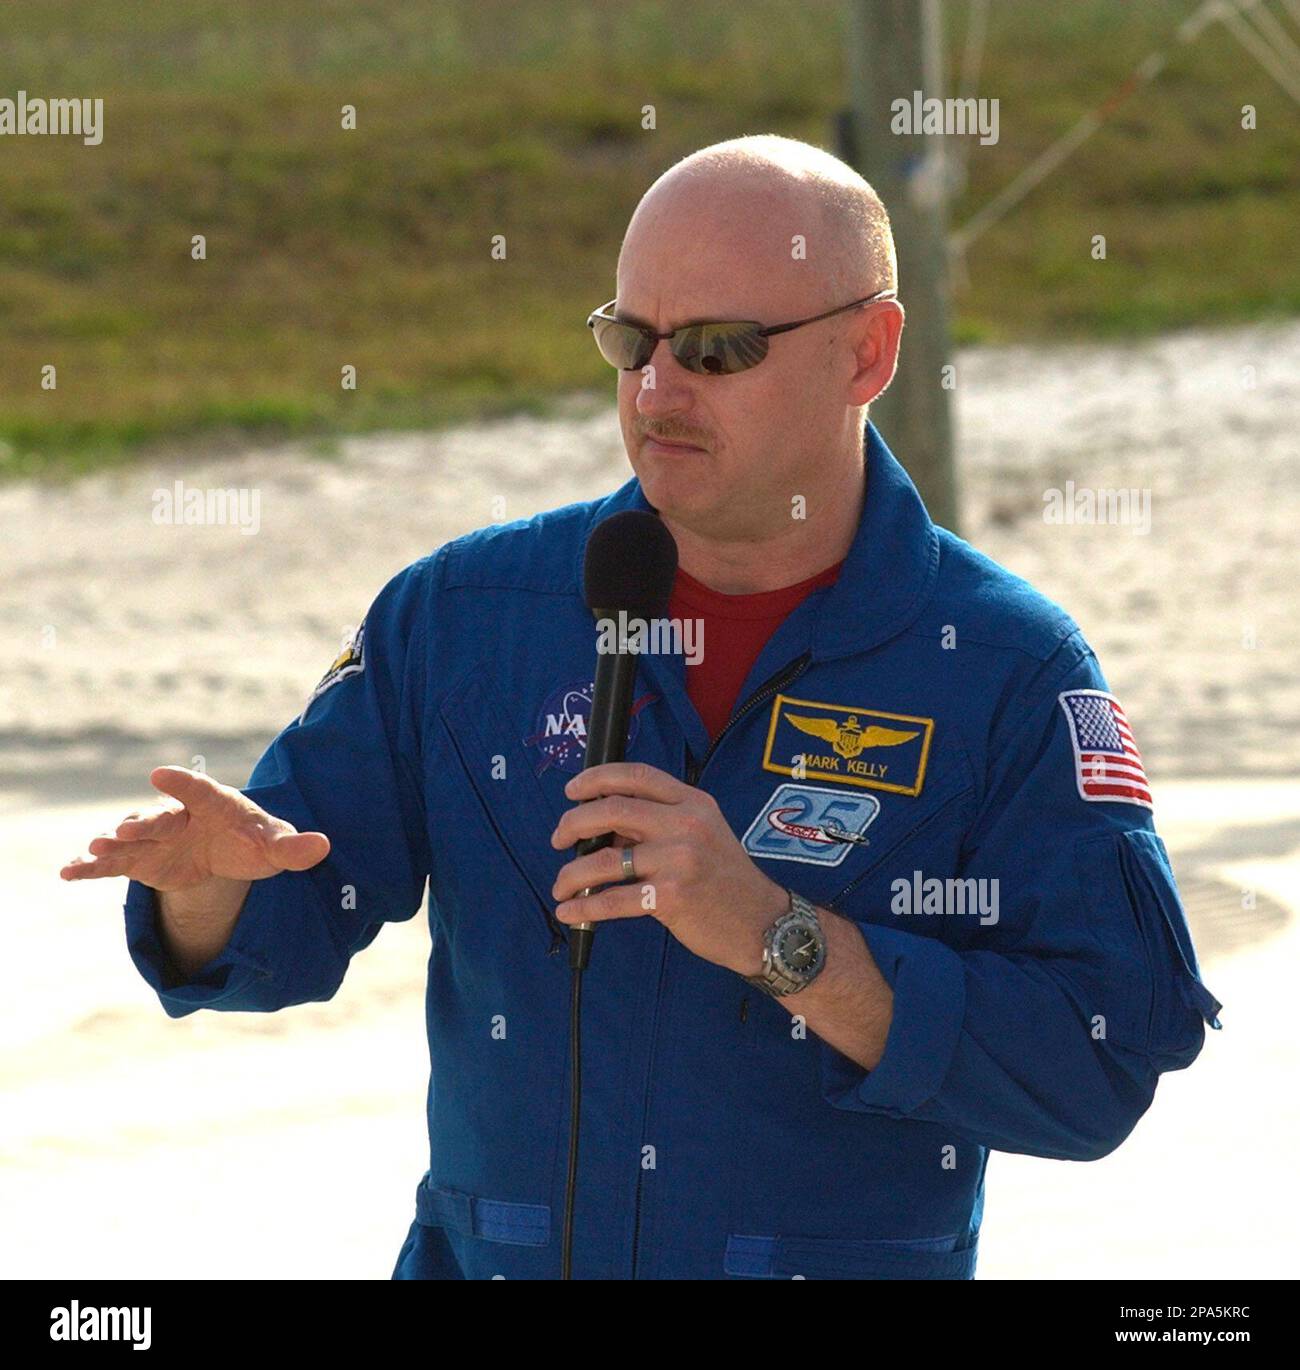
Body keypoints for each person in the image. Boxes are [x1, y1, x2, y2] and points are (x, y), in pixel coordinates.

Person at [61, 134, 1222, 1280]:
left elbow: (1094, 1062)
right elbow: (286, 923)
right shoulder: (468, 615)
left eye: (718, 349)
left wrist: (783, 939)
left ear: (868, 352)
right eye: (631, 340)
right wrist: (209, 895)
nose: (657, 389)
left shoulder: (1003, 669)